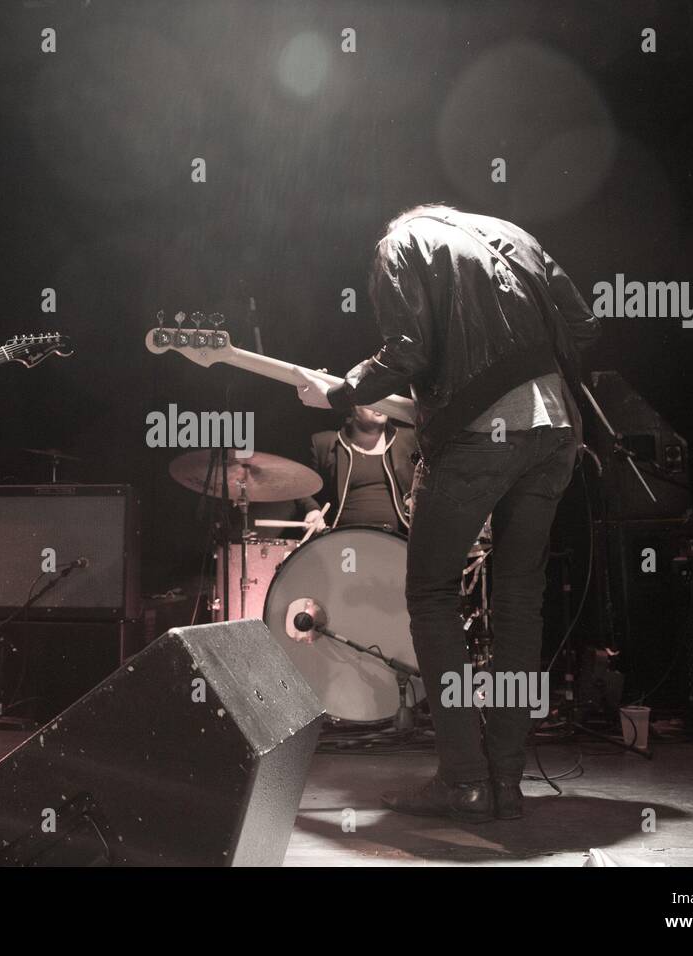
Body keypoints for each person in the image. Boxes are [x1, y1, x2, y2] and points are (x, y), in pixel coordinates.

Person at [295, 204, 600, 822]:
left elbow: (404, 352)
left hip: (478, 437)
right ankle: (507, 783)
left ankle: (464, 779)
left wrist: (342, 391)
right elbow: (585, 327)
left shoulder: (398, 244)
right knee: (520, 602)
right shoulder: (515, 233)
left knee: (432, 594)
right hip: (555, 427)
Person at [296, 406, 417, 536]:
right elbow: (301, 486)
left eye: (382, 396)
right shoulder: (325, 443)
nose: (379, 404)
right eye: (371, 398)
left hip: (399, 541)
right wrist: (312, 509)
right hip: (342, 544)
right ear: (352, 406)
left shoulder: (410, 439)